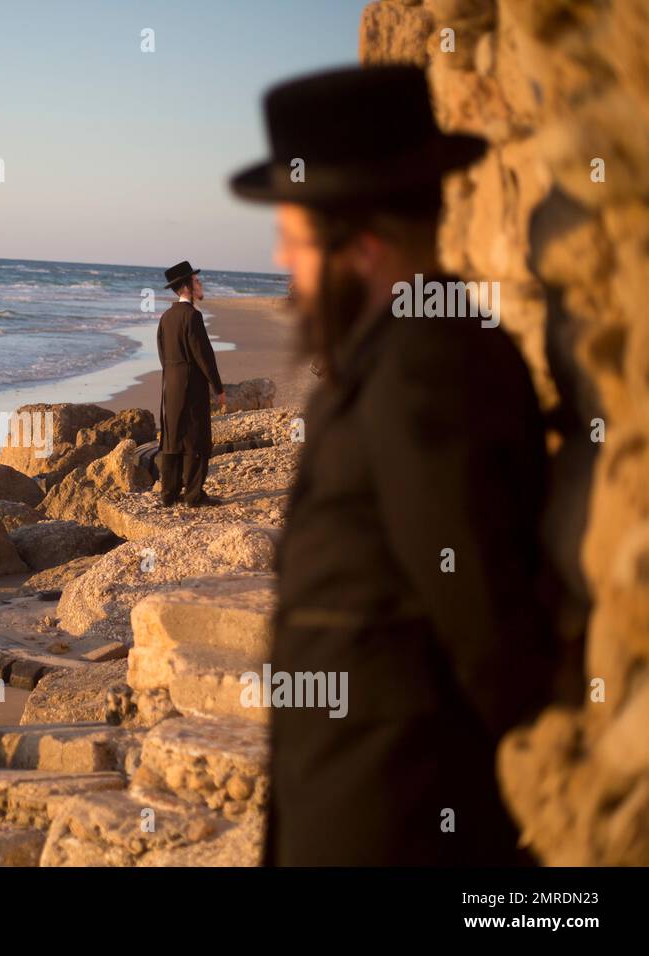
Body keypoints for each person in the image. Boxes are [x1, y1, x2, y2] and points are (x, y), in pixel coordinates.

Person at [229, 64, 559, 864]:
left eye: (295, 235)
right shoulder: (393, 352)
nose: (282, 256)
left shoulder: (430, 364)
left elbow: (485, 624)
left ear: (361, 242)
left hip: (394, 819)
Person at [155, 261, 226, 506]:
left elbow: (162, 353)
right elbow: (203, 355)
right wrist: (218, 387)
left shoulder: (166, 316)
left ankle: (168, 494)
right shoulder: (193, 316)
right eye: (196, 281)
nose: (200, 284)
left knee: (173, 436)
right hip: (192, 384)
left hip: (170, 384)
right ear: (186, 287)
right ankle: (194, 495)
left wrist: (171, 378)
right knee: (196, 436)